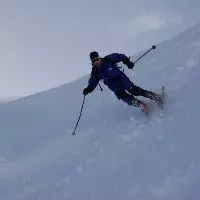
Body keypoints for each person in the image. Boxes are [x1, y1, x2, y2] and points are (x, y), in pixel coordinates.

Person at [83, 51, 162, 112]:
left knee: (133, 90)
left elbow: (120, 56)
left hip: (121, 78)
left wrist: (128, 63)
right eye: (94, 62)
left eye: (97, 59)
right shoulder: (95, 71)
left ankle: (154, 96)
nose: (97, 62)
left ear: (100, 58)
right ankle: (140, 104)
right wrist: (88, 89)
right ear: (92, 63)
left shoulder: (108, 59)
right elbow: (92, 82)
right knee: (122, 95)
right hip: (113, 85)